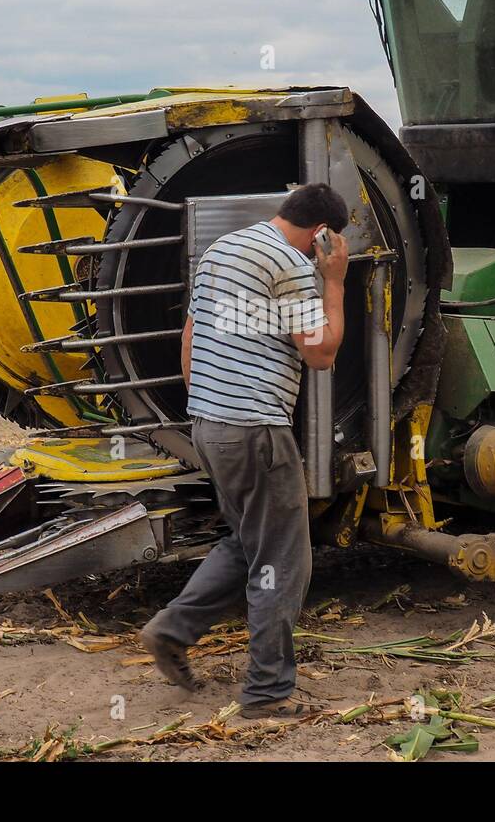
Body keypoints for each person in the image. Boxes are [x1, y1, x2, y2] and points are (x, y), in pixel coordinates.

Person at [141, 182, 349, 717]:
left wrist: (209, 403)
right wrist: (336, 282)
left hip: (210, 423)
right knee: (284, 560)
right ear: (322, 233)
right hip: (256, 429)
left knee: (246, 541)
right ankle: (267, 692)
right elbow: (321, 353)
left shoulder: (223, 250)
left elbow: (189, 334)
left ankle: (172, 628)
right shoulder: (295, 267)